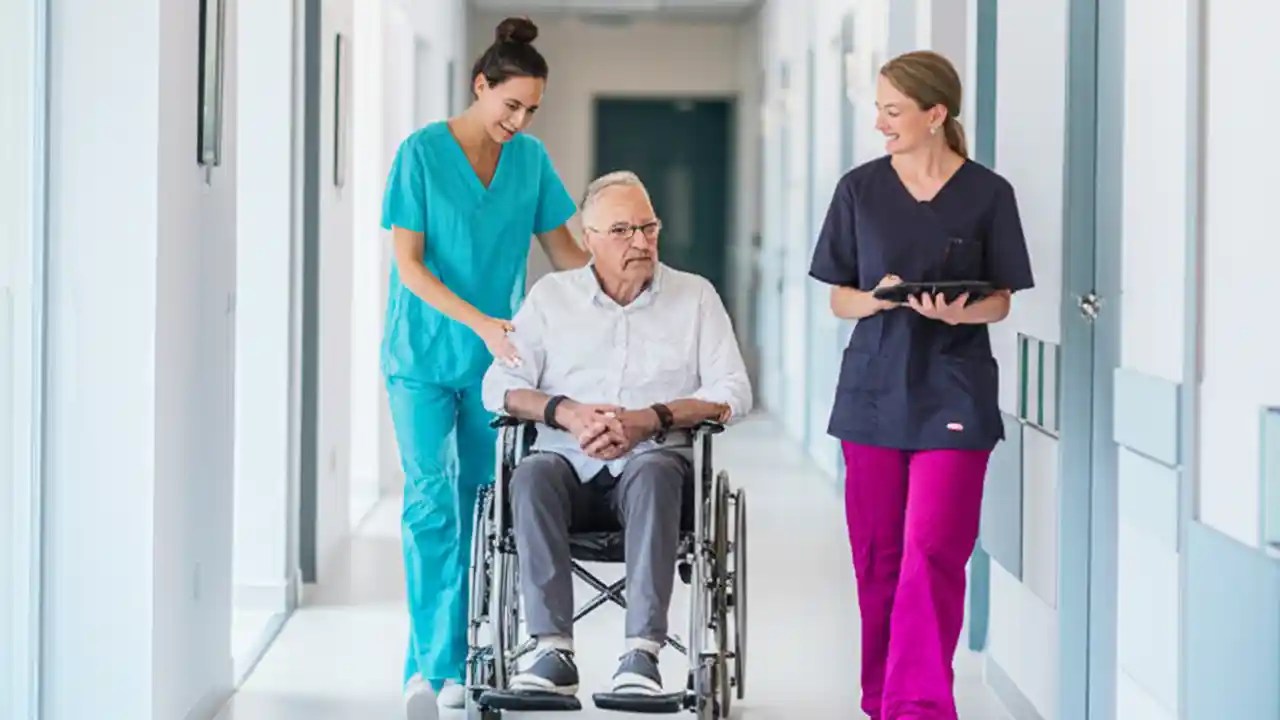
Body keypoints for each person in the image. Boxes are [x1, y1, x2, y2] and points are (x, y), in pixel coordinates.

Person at [808, 50, 1034, 720]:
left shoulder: (988, 194)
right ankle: (882, 700)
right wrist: (878, 298)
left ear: (936, 115)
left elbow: (1001, 301)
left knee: (933, 550)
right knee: (879, 558)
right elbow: (839, 298)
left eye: (893, 111)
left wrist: (960, 312)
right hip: (874, 390)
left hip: (955, 390)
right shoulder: (859, 190)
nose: (880, 123)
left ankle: (919, 707)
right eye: (879, 109)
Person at [380, 16, 590, 719]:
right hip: (420, 356)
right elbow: (409, 266)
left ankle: (451, 663)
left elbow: (567, 256)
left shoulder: (529, 161)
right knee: (428, 503)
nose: (519, 120)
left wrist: (625, 277)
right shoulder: (420, 154)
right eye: (511, 104)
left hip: (495, 366)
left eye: (531, 110)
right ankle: (432, 666)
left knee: (479, 506)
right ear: (481, 85)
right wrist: (477, 319)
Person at [480, 170, 752, 698]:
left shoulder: (695, 297)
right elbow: (499, 386)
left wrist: (651, 418)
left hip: (655, 473)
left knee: (654, 470)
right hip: (565, 468)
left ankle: (642, 656)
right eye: (623, 231)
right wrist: (567, 413)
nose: (641, 242)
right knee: (530, 475)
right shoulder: (551, 298)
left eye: (649, 228)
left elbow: (734, 391)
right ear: (589, 240)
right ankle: (551, 652)